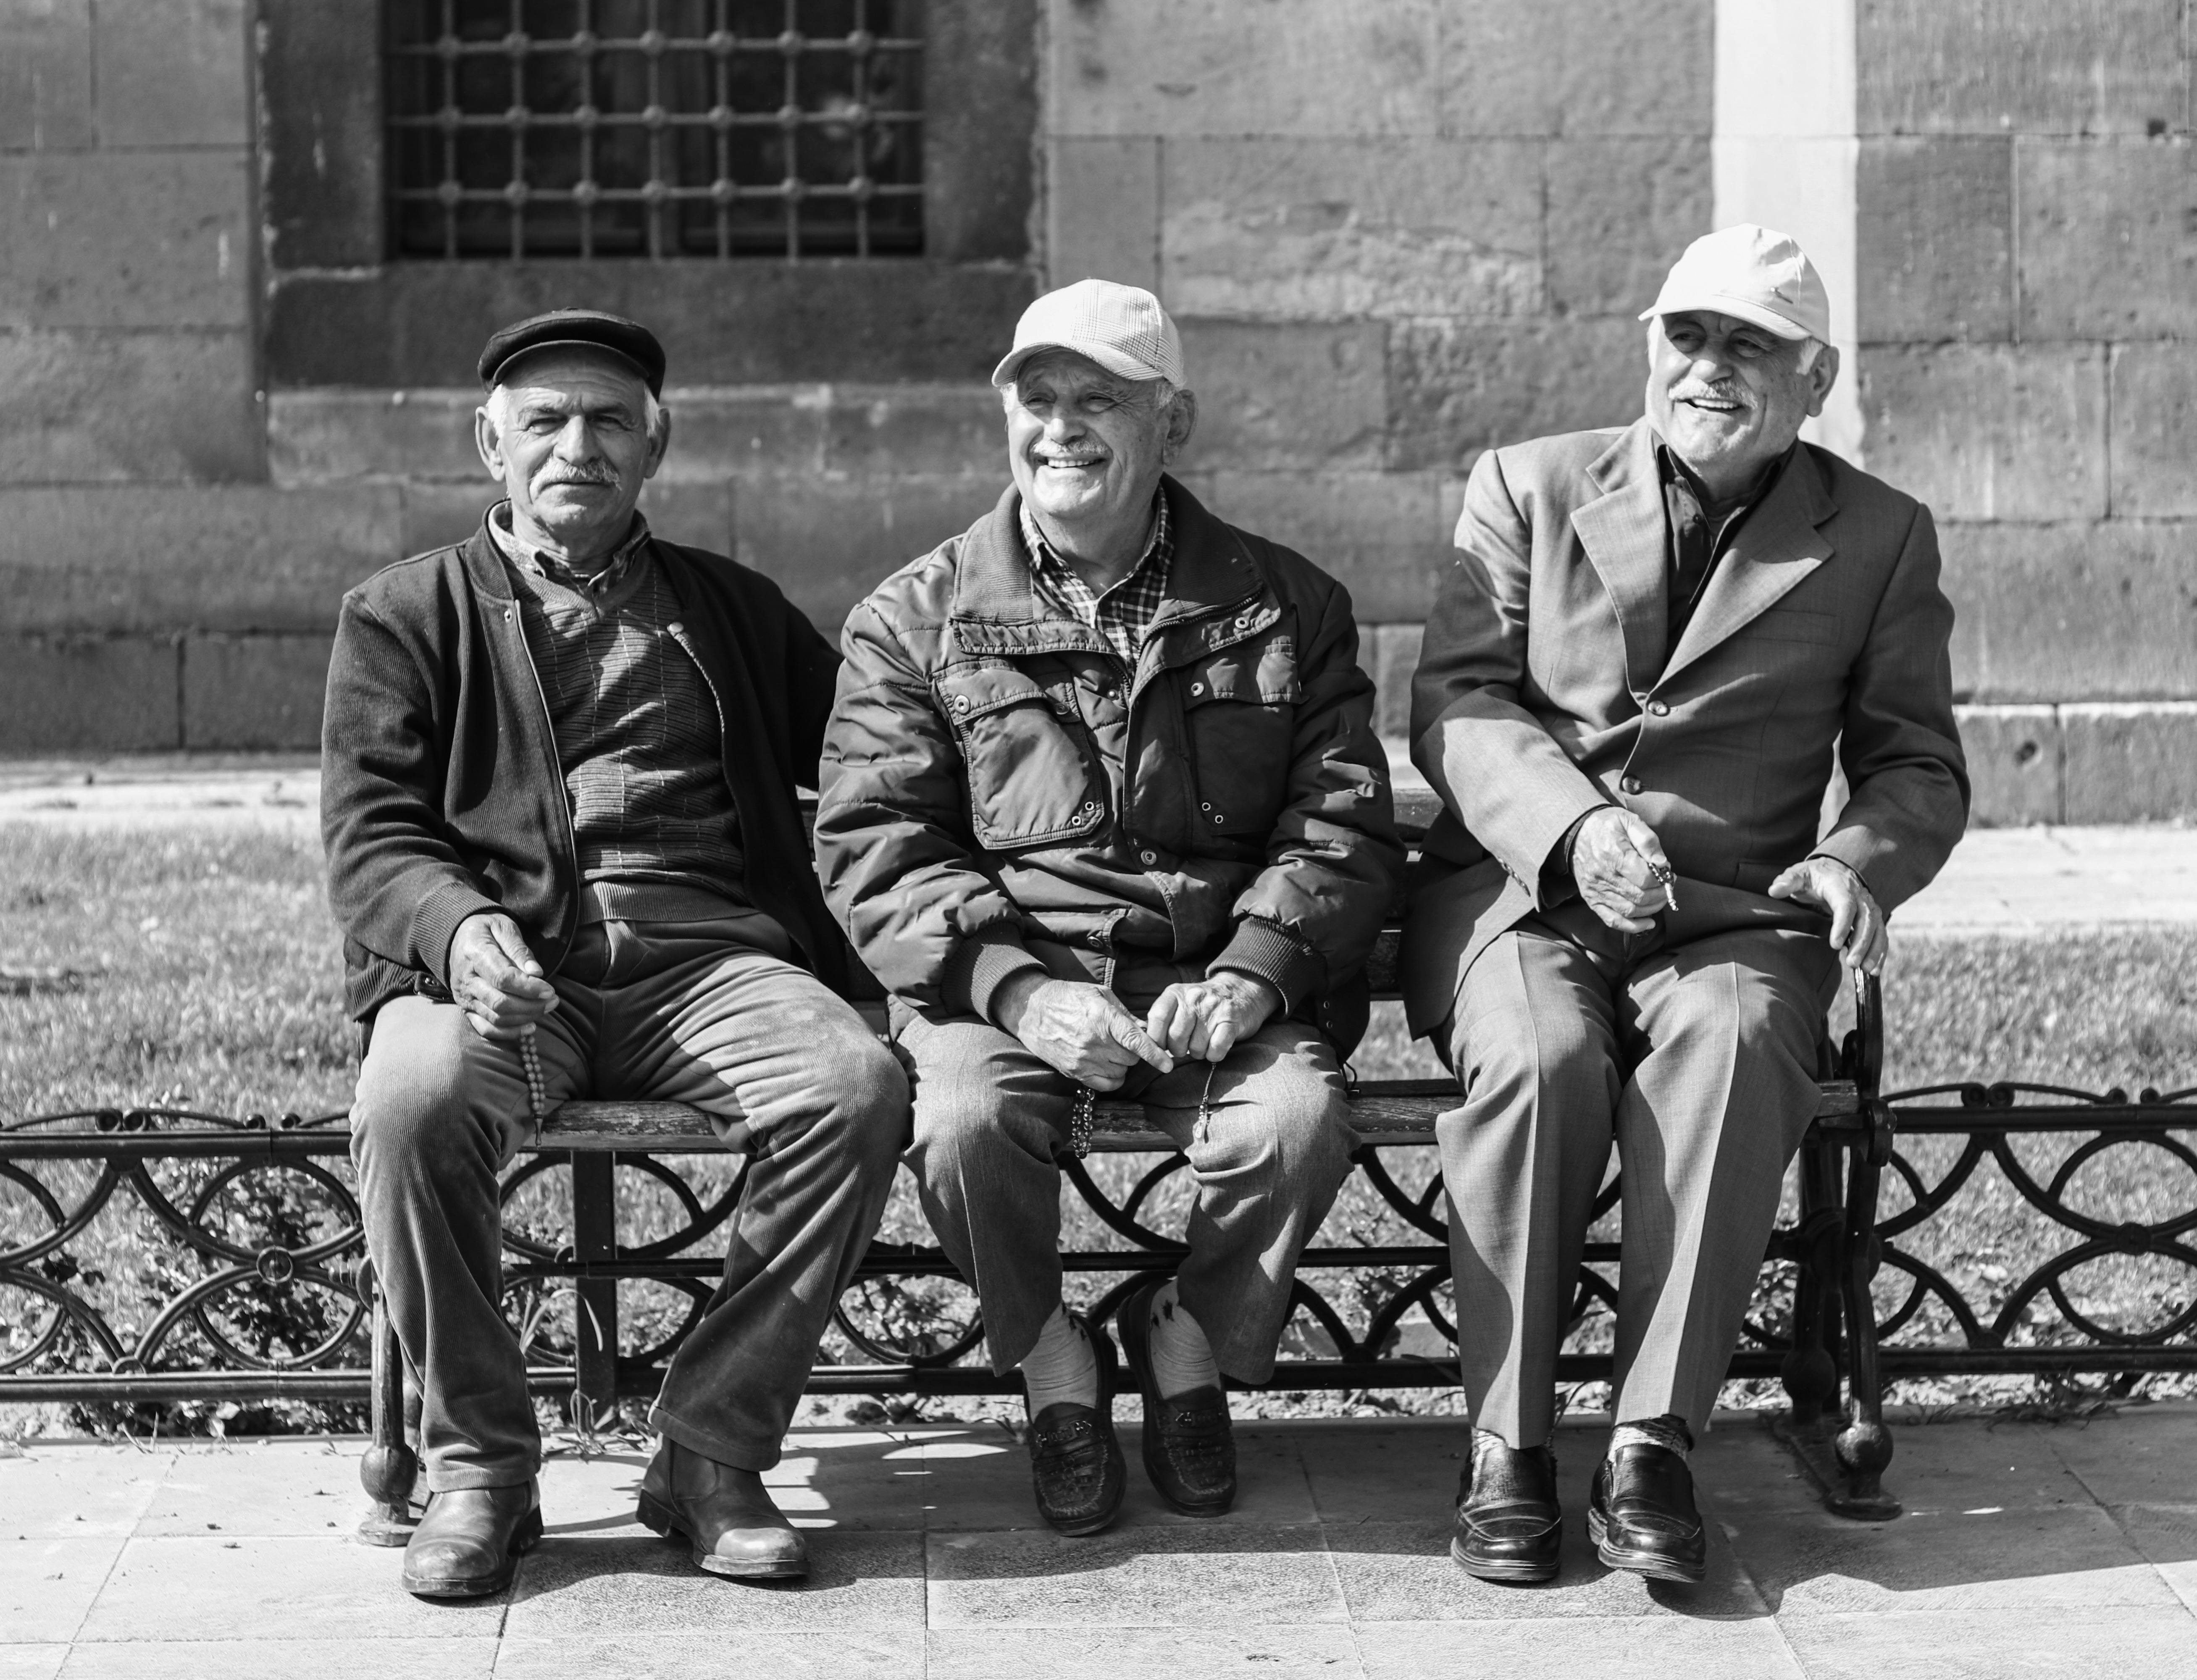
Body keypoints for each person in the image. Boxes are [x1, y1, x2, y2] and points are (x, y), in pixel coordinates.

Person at [1401, 226, 1968, 1585]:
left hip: (1736, 915)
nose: (1710, 368)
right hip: (1529, 899)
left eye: (1751, 347)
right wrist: (1574, 824)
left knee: (1732, 1049)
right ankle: (1508, 1446)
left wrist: (1855, 859)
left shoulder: (1879, 534)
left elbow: (1915, 763)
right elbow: (1459, 701)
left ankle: (1652, 1438)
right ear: (1650, 346)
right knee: (1539, 1063)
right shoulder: (1525, 486)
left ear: (1816, 377)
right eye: (1688, 337)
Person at [323, 308, 909, 1597]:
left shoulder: (733, 611)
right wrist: (463, 929)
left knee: (855, 1088)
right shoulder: (406, 615)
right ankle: (482, 1463)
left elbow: (880, 756)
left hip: (711, 962)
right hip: (505, 969)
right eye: (543, 423)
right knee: (413, 1098)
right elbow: (369, 838)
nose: (574, 446)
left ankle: (708, 1452)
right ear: (492, 446)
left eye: (605, 421)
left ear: (656, 444)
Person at [815, 279, 1404, 1534]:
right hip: (1006, 988)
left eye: (1100, 400)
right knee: (966, 1119)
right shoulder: (914, 618)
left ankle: (1185, 1337)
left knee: (1297, 1120)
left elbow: (1343, 824)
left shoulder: (1285, 606)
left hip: (1214, 992)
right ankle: (1051, 1362)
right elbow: (877, 842)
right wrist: (1021, 992)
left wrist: (1252, 972)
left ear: (1171, 424)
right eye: (1037, 398)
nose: (1061, 428)